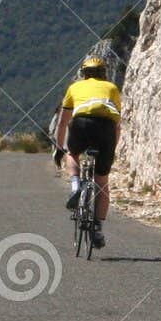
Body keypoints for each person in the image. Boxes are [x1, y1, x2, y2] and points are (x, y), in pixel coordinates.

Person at [53, 55, 120, 250]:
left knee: (72, 154)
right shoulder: (112, 88)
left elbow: (63, 122)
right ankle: (98, 228)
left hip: (81, 124)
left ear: (83, 74)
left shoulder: (74, 88)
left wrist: (59, 148)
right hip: (105, 127)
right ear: (104, 73)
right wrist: (110, 150)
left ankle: (75, 187)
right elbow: (117, 126)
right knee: (102, 182)